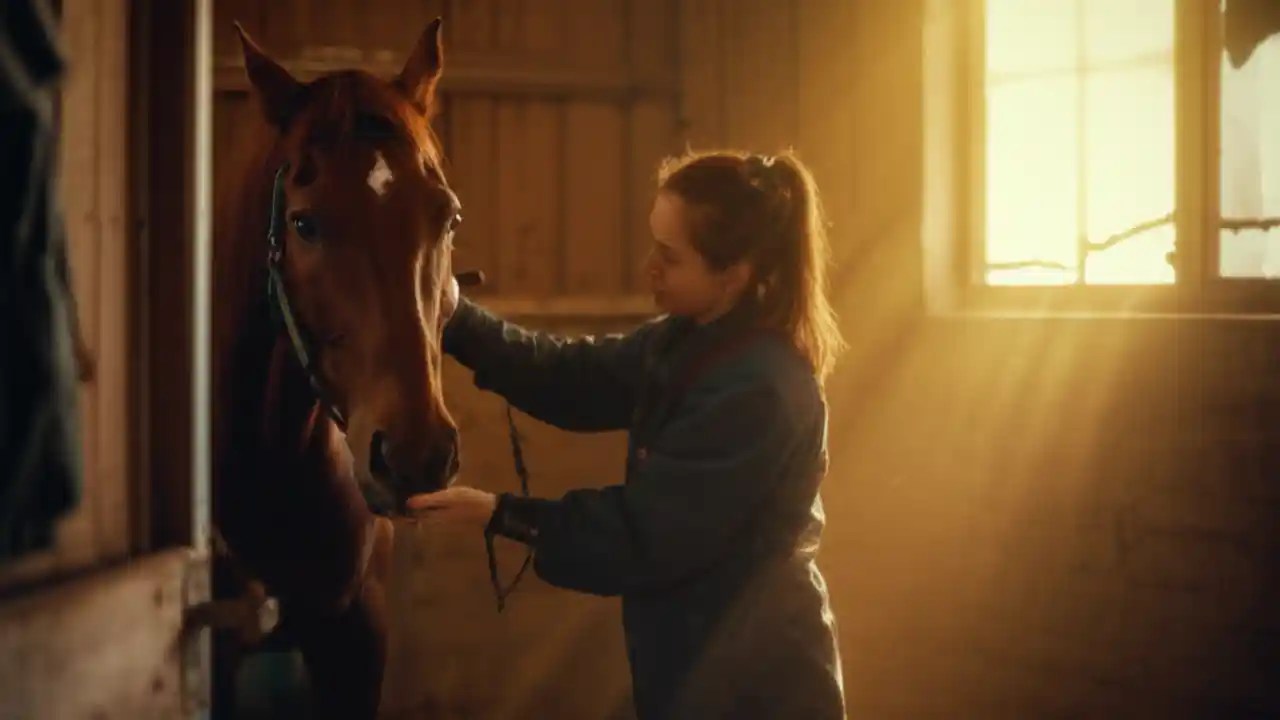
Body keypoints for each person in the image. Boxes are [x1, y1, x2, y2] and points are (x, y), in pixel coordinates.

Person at [411, 149, 847, 719]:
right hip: (694, 662)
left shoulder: (758, 391)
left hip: (756, 682)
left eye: (670, 256)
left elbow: (642, 534)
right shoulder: (686, 338)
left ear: (735, 276)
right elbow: (572, 377)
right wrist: (456, 315)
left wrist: (501, 513)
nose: (650, 269)